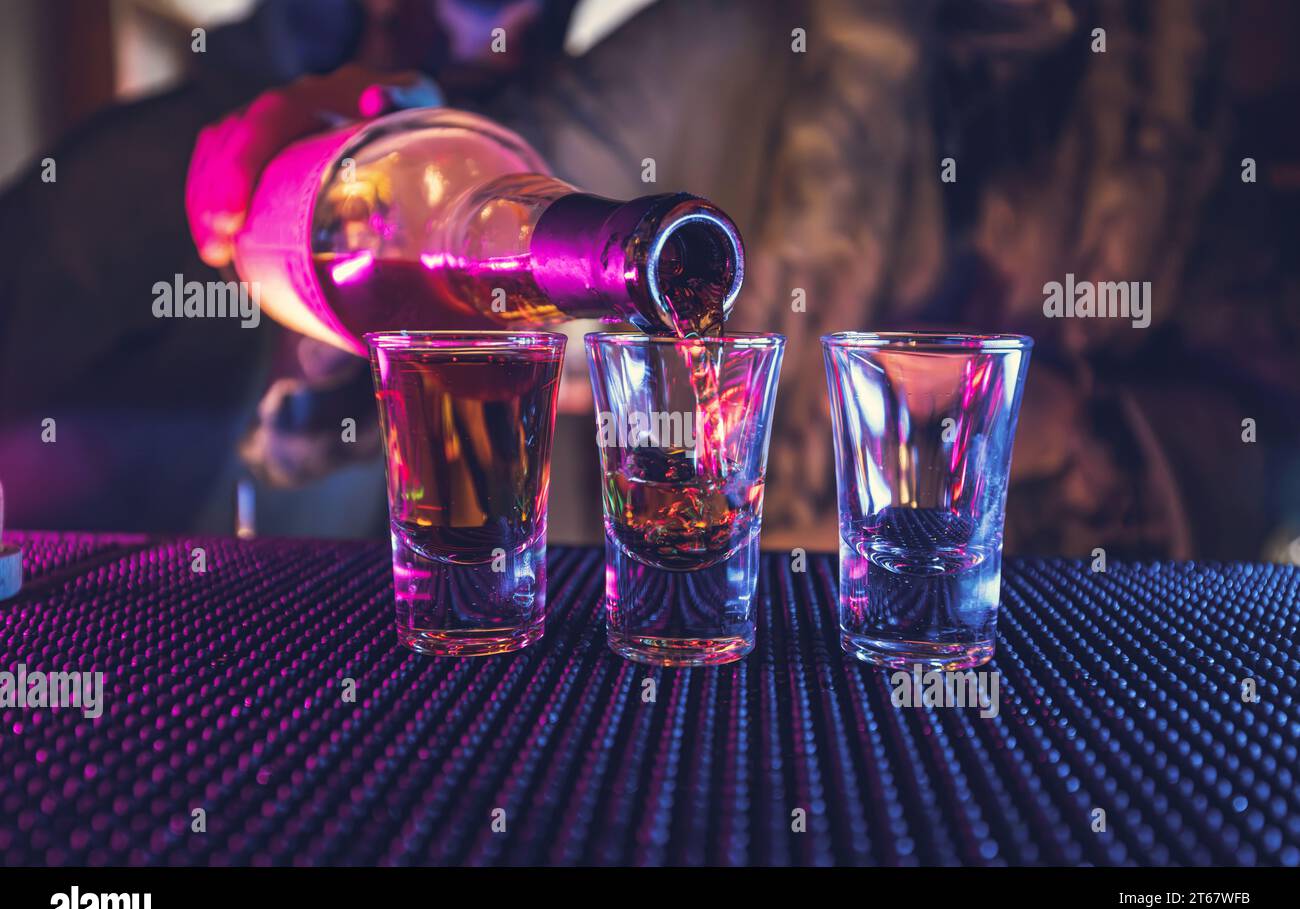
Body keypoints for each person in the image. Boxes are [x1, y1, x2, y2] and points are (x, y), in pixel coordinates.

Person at [3, 0, 1298, 560]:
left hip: (1007, 670)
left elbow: (1252, 454)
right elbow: (491, 254)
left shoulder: (1211, 114)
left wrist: (1070, 438)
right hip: (684, 674)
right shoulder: (748, 43)